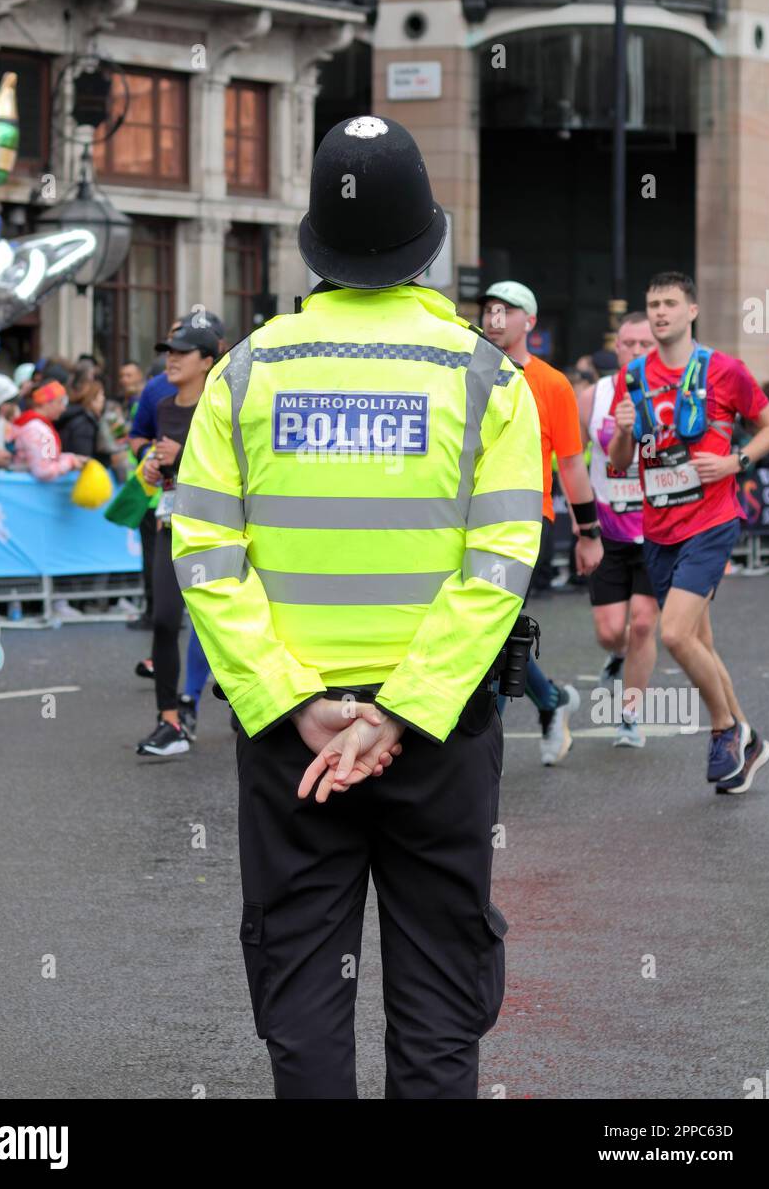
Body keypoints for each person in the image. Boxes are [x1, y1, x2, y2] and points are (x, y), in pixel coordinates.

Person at [172, 115, 543, 1100]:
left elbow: (203, 551)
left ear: (314, 243)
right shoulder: (484, 377)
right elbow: (500, 559)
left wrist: (296, 702)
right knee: (435, 992)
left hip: (292, 732)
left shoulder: (246, 371)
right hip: (438, 729)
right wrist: (400, 709)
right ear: (426, 240)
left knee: (299, 982)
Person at [608, 271, 769, 794]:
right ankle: (751, 743)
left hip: (711, 521)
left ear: (691, 311)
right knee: (700, 641)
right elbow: (620, 463)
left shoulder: (725, 370)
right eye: (652, 304)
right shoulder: (634, 377)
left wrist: (736, 461)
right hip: (658, 527)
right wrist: (621, 429)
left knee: (676, 634)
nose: (659, 312)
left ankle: (725, 729)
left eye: (669, 303)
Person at [480, 282, 603, 765]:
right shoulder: (470, 373)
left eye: (505, 311)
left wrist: (588, 534)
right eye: (488, 310)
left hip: (526, 523)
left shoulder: (552, 385)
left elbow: (572, 466)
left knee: (495, 630)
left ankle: (481, 752)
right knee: (494, 630)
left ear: (529, 321)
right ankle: (551, 702)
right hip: (468, 523)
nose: (494, 319)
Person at [135, 320, 220, 757]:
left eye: (181, 353)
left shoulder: (221, 405)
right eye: (168, 351)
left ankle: (253, 709)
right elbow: (153, 458)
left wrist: (182, 456)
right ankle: (168, 720)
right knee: (166, 619)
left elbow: (233, 468)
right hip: (172, 525)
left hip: (217, 530)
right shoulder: (163, 405)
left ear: (207, 362)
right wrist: (152, 467)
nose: (171, 358)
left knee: (218, 626)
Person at [577, 312, 659, 747]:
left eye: (645, 344)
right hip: (608, 529)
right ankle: (620, 655)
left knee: (644, 623)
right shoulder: (593, 397)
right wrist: (581, 529)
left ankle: (629, 714)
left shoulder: (671, 395)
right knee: (611, 631)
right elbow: (573, 464)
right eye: (628, 344)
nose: (635, 352)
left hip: (659, 529)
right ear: (618, 348)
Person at [11, 380, 87, 481]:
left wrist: (72, 458)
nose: (63, 408)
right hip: (29, 493)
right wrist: (70, 462)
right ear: (45, 403)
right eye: (60, 402)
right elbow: (43, 471)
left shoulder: (38, 426)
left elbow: (48, 457)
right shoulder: (37, 430)